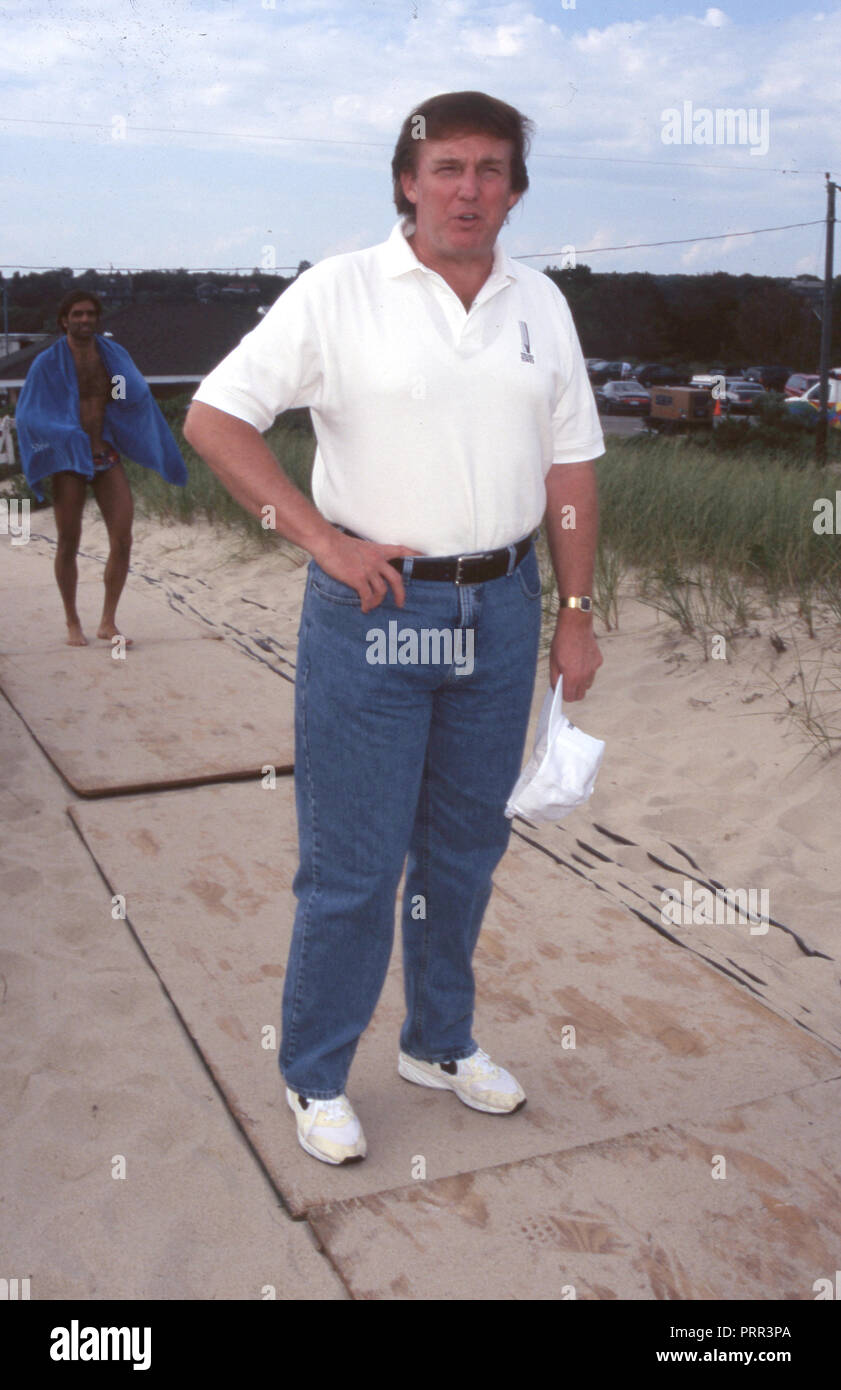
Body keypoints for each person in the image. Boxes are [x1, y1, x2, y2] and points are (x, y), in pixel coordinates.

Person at [185, 90, 604, 1166]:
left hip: (502, 609)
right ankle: (315, 1072)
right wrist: (323, 540)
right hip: (376, 613)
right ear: (407, 182)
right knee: (354, 866)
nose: (468, 189)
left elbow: (570, 468)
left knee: (464, 850)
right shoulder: (339, 291)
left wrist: (574, 609)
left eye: (490, 170)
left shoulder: (539, 304)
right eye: (447, 168)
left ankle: (438, 1042)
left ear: (516, 188)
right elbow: (214, 419)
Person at [15, 291, 187, 646]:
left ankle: (108, 621)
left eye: (90, 314)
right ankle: (72, 621)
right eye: (77, 314)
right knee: (67, 541)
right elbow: (29, 414)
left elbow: (127, 399)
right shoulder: (47, 363)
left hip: (105, 455)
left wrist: (129, 416)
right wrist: (66, 435)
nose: (84, 320)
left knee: (123, 538)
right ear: (64, 320)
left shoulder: (112, 357)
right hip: (69, 459)